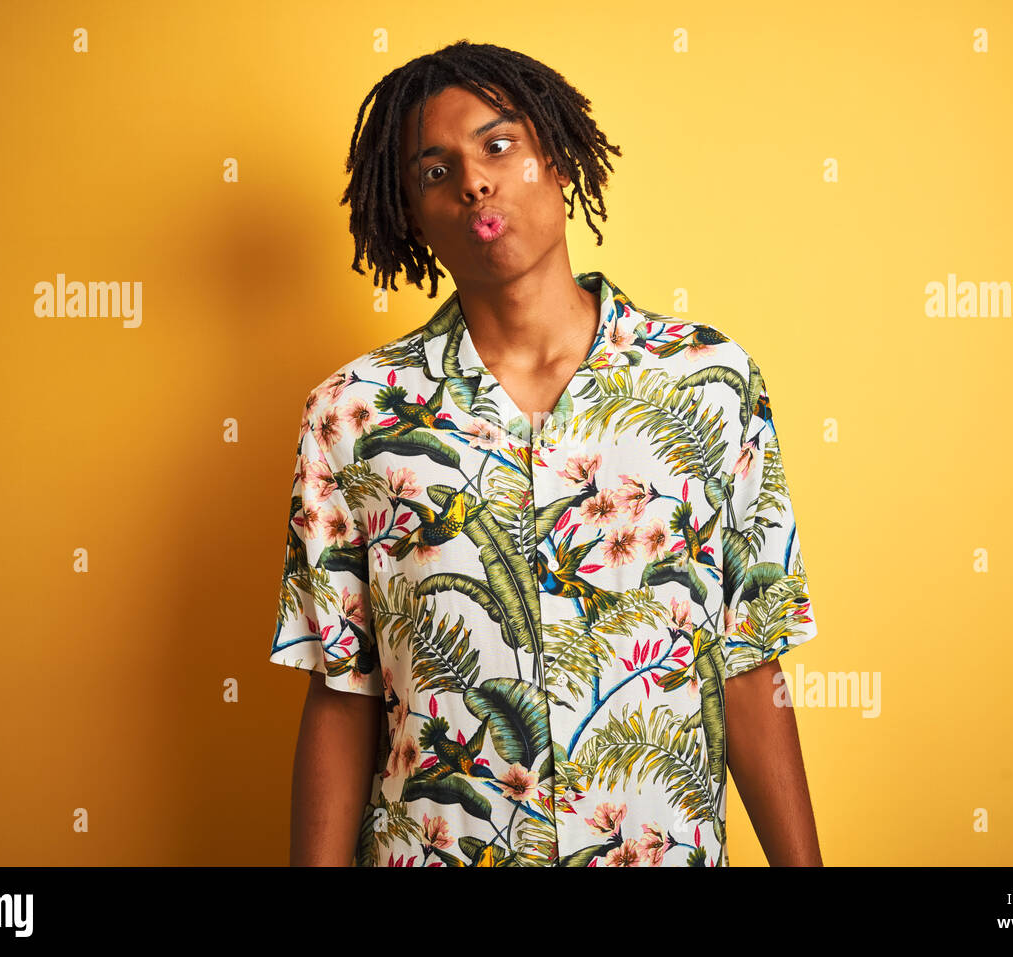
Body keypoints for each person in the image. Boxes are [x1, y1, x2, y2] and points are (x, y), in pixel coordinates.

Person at [269, 39, 822, 867]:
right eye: (435, 170)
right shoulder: (353, 414)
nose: (474, 181)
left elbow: (748, 664)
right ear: (411, 213)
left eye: (499, 146)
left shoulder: (710, 384)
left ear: (556, 160)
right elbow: (342, 693)